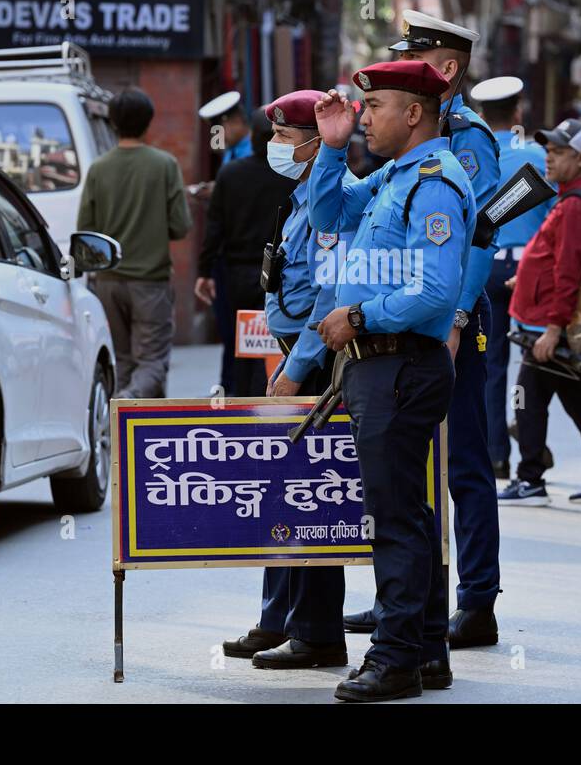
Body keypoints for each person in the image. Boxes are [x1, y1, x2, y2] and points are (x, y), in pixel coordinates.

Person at [308, 59, 477, 702]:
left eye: (374, 107)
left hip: (401, 362)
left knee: (395, 517)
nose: (364, 117)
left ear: (414, 114)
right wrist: (329, 148)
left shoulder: (434, 182)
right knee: (408, 508)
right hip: (382, 365)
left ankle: (396, 658)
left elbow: (435, 291)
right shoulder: (393, 174)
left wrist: (357, 315)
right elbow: (330, 213)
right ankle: (427, 649)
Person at [342, 9, 503, 652]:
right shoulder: (411, 146)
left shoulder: (469, 141)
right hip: (414, 316)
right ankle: (412, 614)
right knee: (412, 473)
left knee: (463, 462)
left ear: (447, 68)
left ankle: (477, 601)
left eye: (420, 56)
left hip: (452, 318)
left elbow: (480, 238)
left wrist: (459, 316)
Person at [222, 90, 352, 670]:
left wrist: (295, 371)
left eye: (282, 137)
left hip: (314, 359)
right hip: (291, 354)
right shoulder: (299, 197)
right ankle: (279, 618)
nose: (273, 146)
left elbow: (330, 294)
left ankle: (318, 631)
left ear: (312, 142)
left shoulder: (330, 204)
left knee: (312, 494)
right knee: (282, 485)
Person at [498, 119, 581, 506]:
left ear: (580, 158)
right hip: (548, 317)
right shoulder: (574, 195)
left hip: (551, 324)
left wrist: (554, 329)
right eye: (549, 151)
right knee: (576, 399)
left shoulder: (575, 205)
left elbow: (569, 270)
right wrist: (523, 280)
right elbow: (554, 260)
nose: (549, 159)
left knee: (528, 396)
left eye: (557, 153)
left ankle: (531, 481)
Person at [77, 87, 191, 398]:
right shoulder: (164, 165)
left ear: (112, 123)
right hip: (150, 281)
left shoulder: (98, 169)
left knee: (122, 361)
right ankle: (134, 403)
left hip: (108, 282)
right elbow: (181, 226)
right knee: (152, 361)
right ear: (148, 122)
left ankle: (123, 432)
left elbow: (85, 230)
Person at [470, 75, 550, 482]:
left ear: (482, 115)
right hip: (530, 272)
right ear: (518, 112)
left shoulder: (469, 155)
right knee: (536, 366)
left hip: (484, 269)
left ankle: (496, 455)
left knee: (492, 365)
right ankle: (531, 454)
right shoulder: (538, 156)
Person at [195, 108, 298, 396]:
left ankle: (241, 399)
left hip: (239, 275)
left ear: (252, 137)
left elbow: (214, 228)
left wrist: (204, 271)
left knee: (242, 345)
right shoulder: (294, 178)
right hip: (284, 275)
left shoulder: (230, 174)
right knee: (282, 342)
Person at [196, 90, 255, 394]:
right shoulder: (230, 153)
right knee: (230, 330)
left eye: (219, 129)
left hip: (240, 256)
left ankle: (236, 387)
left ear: (235, 122)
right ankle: (230, 384)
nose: (215, 137)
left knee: (239, 331)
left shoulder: (248, 154)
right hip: (229, 256)